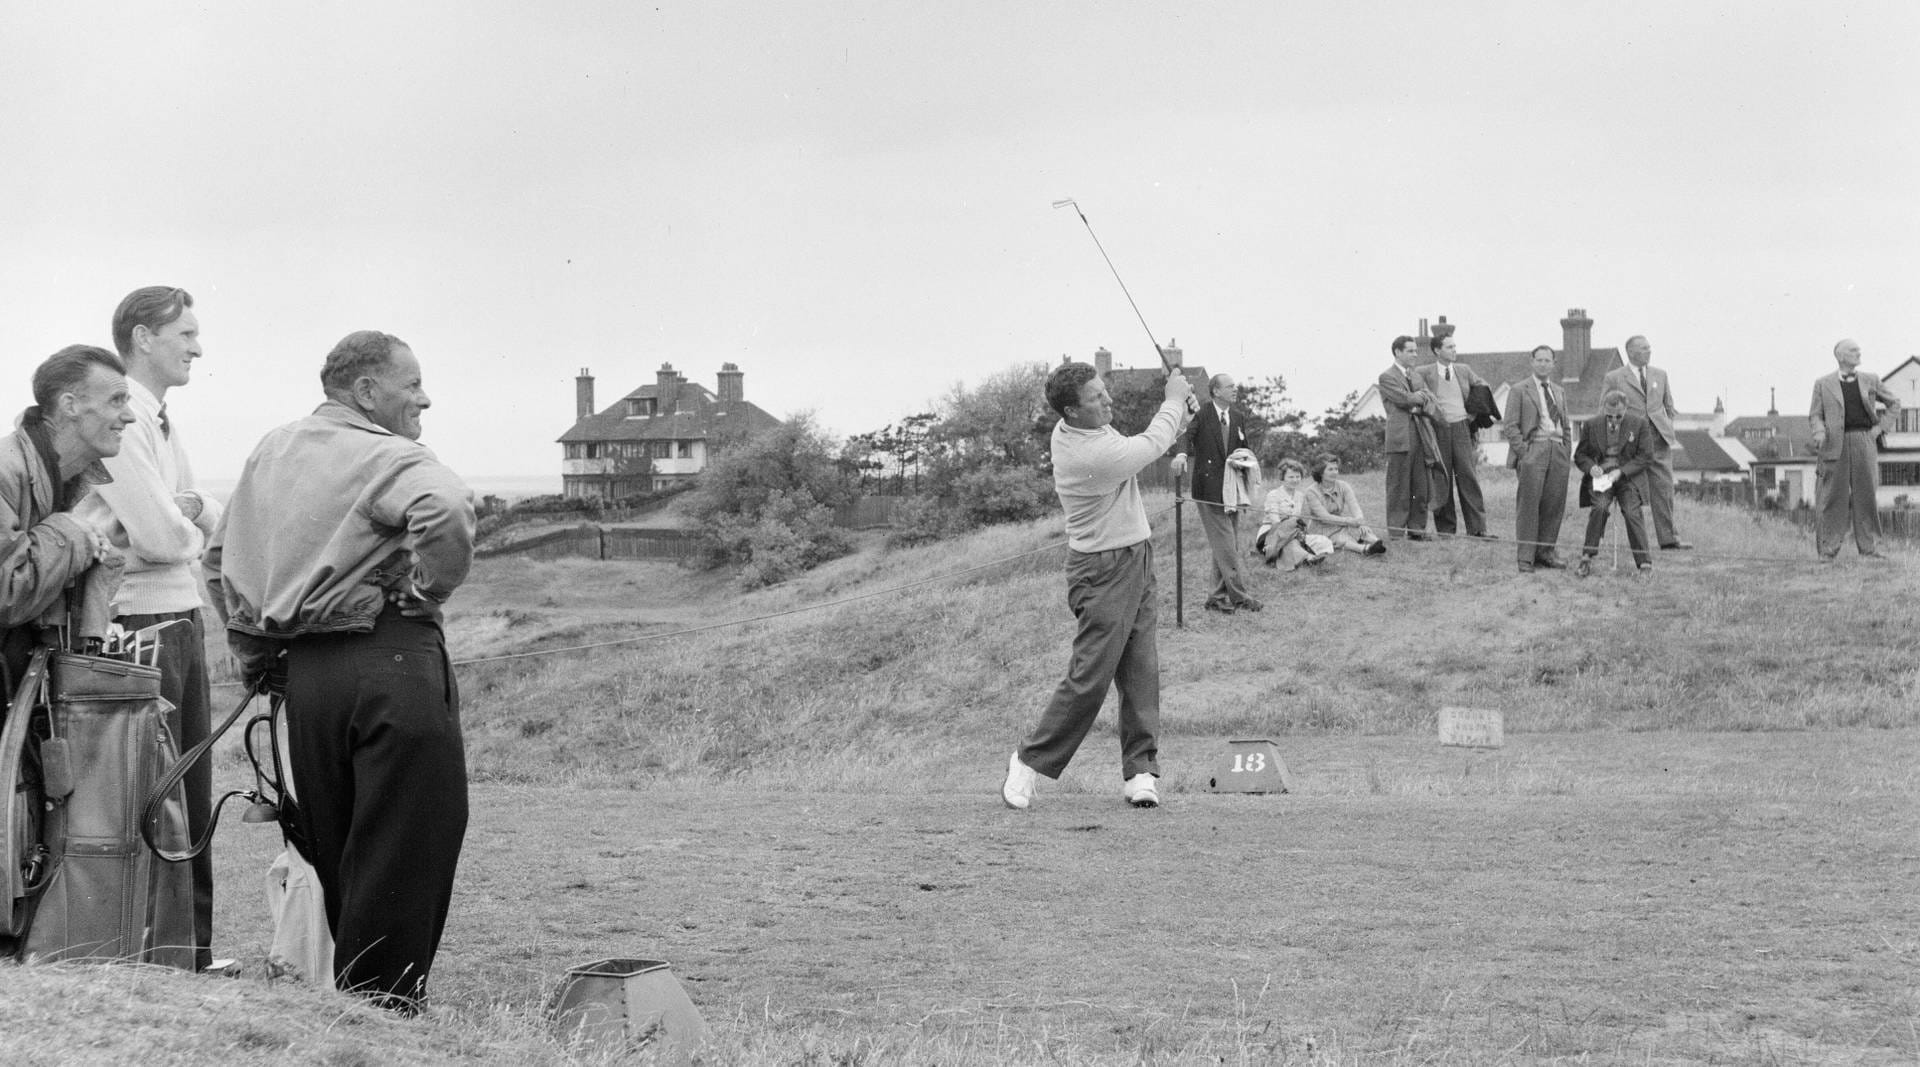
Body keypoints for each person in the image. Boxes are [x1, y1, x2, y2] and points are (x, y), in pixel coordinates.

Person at [203, 330, 475, 1013]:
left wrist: (258, 655)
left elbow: (217, 557)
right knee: (407, 848)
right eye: (411, 384)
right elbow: (445, 508)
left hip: (309, 680)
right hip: (392, 661)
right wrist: (426, 591)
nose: (425, 396)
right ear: (366, 392)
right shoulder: (388, 454)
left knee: (341, 850)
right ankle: (381, 1019)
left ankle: (351, 1018)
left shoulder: (272, 449)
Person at [72, 286, 226, 973]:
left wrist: (189, 513)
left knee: (190, 797)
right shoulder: (125, 419)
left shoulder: (160, 420)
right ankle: (164, 959)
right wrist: (185, 517)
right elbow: (164, 533)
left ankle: (190, 954)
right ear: (142, 336)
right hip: (142, 624)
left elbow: (189, 516)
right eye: (185, 333)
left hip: (180, 617)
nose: (197, 346)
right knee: (159, 800)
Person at [1002, 360, 1192, 812]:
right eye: (1095, 398)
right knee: (1091, 676)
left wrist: (1182, 409)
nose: (1108, 401)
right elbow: (1149, 445)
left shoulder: (1089, 430)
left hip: (1136, 554)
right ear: (1070, 411)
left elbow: (1154, 437)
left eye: (1104, 391)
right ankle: (1028, 762)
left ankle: (1140, 771)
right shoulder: (1089, 455)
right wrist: (1173, 399)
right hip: (1102, 569)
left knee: (1141, 668)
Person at [2, 346, 130, 687]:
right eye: (116, 401)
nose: (129, 416)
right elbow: (6, 595)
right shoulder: (4, 472)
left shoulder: (62, 477)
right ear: (70, 405)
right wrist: (74, 533)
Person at [1169, 374, 1262, 614]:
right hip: (1208, 490)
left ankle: (1215, 598)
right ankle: (1240, 597)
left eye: (1234, 385)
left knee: (1225, 545)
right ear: (1216, 391)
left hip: (1233, 490)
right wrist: (1181, 456)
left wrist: (1244, 463)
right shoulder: (1202, 414)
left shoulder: (1238, 417)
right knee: (1227, 545)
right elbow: (1185, 437)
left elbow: (1245, 449)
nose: (1235, 389)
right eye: (1230, 386)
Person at [1809, 339, 1901, 560]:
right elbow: (1815, 415)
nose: (1859, 352)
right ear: (1840, 356)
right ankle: (1828, 551)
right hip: (1833, 445)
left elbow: (1894, 403)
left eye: (1859, 349)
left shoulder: (1871, 379)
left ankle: (1869, 549)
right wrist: (1819, 432)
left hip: (1864, 441)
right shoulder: (1822, 384)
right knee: (1833, 498)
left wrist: (1880, 429)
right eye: (1853, 350)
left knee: (1866, 496)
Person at [1603, 335, 1692, 549]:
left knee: (1664, 489)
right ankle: (1638, 544)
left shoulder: (1660, 375)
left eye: (1649, 347)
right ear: (1630, 352)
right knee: (1631, 492)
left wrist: (1667, 426)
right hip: (1630, 443)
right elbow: (1605, 410)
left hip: (1658, 440)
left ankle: (1669, 539)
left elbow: (1669, 406)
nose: (1649, 351)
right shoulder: (1615, 378)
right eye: (1643, 348)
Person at [1500, 345, 1574, 573]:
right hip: (1535, 450)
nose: (1543, 364)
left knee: (1554, 505)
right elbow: (1510, 425)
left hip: (1558, 450)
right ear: (1532, 362)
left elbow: (1566, 423)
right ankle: (1525, 558)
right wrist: (1525, 454)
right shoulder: (1519, 390)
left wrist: (1566, 449)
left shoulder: (1559, 391)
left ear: (1554, 363)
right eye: (1539, 360)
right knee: (1529, 505)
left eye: (1547, 360)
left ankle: (1545, 553)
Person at [1414, 327, 1491, 538]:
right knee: (1442, 478)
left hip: (1461, 428)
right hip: (1438, 430)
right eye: (1449, 347)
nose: (1454, 350)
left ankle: (1477, 529)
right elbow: (1416, 394)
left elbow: (1483, 387)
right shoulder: (1424, 372)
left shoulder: (1464, 370)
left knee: (1468, 477)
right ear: (1437, 350)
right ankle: (1446, 531)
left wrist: (1473, 415)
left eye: (1455, 346)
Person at [1571, 389, 1656, 577]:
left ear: (1626, 409)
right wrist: (1591, 467)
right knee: (1600, 508)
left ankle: (1644, 564)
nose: (1613, 421)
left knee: (1632, 512)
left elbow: (1646, 457)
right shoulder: (1592, 425)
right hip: (1602, 479)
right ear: (1603, 409)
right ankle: (1587, 557)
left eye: (1618, 417)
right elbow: (1580, 455)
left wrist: (1622, 471)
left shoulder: (1639, 425)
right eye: (1609, 416)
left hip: (1628, 479)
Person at [1378, 335, 1437, 540]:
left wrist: (1417, 402)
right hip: (1400, 438)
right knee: (1398, 486)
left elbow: (1430, 401)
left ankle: (1417, 530)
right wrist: (1415, 400)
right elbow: (1404, 399)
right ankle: (1396, 531)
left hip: (1421, 435)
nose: (1415, 354)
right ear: (1397, 352)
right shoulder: (1387, 377)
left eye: (1415, 350)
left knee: (1421, 485)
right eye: (1410, 350)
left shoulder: (1417, 376)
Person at [1255, 459, 1335, 570]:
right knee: (1289, 541)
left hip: (1293, 532)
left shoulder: (1300, 496)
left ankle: (1300, 555)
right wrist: (1291, 529)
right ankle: (1308, 557)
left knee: (1323, 541)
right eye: (1291, 477)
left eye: (1297, 477)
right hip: (1272, 533)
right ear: (1283, 478)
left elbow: (1297, 519)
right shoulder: (1273, 495)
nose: (1295, 480)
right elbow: (1275, 521)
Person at [1305, 454, 1385, 555]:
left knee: (1357, 527)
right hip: (1321, 527)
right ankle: (1364, 549)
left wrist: (1360, 521)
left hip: (1339, 523)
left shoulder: (1343, 486)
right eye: (1330, 469)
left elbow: (1354, 506)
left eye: (1336, 469)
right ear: (1321, 472)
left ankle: (1374, 541)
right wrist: (1349, 521)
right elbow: (1324, 517)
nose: (1335, 472)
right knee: (1340, 538)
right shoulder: (1311, 491)